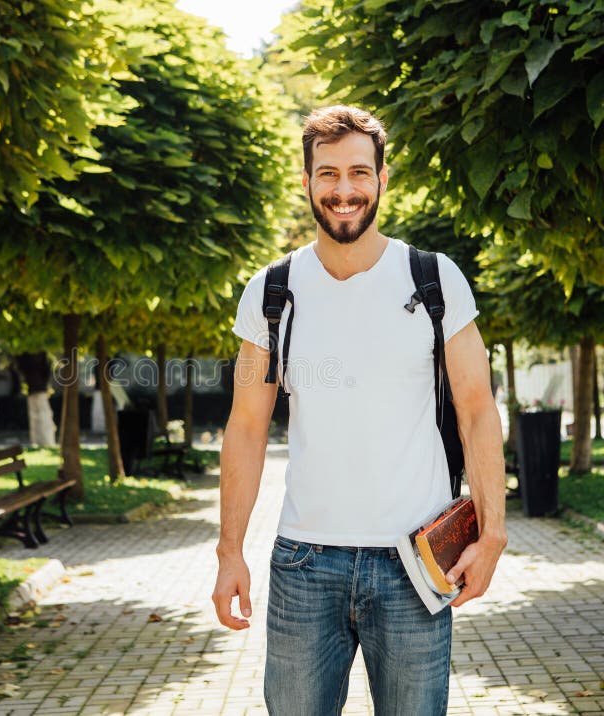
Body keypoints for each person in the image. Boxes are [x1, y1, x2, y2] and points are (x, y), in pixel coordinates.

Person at [212, 105, 507, 715]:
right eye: (327, 175)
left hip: (415, 565)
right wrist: (229, 551)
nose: (343, 191)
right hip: (303, 563)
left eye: (357, 173)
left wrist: (494, 533)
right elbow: (245, 427)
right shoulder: (271, 292)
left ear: (381, 179)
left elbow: (477, 411)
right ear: (307, 181)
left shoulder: (434, 280)